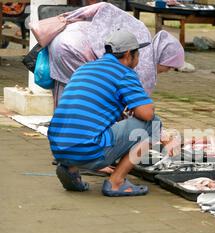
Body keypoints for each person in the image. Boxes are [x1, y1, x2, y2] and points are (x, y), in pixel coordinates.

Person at [48, 29, 170, 197]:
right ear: (128, 54)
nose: (138, 58)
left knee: (93, 128)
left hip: (58, 147)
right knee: (153, 124)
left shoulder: (85, 68)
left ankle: (70, 168)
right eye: (138, 54)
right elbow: (147, 114)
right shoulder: (124, 73)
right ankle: (116, 182)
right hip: (88, 150)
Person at [47, 3, 185, 106]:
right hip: (75, 49)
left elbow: (104, 7)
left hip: (62, 37)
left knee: (68, 90)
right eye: (169, 67)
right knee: (85, 97)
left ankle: (62, 130)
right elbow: (138, 106)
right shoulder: (144, 65)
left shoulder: (141, 36)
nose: (167, 71)